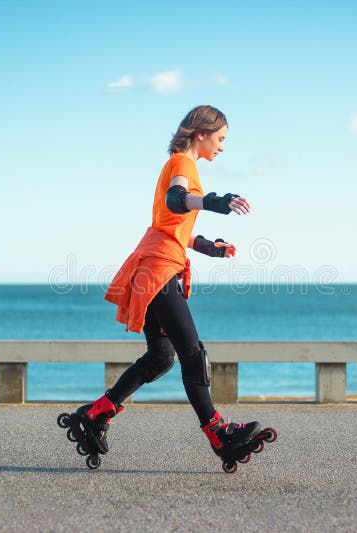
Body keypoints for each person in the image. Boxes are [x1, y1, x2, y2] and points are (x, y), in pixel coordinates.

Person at [73, 105, 266, 466]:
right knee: (192, 354)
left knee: (161, 356)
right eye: (220, 138)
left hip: (155, 262)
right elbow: (175, 200)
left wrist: (206, 246)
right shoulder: (182, 163)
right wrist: (216, 201)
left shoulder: (181, 165)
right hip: (157, 268)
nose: (222, 146)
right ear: (201, 133)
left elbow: (171, 224)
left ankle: (98, 412)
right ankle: (218, 432)